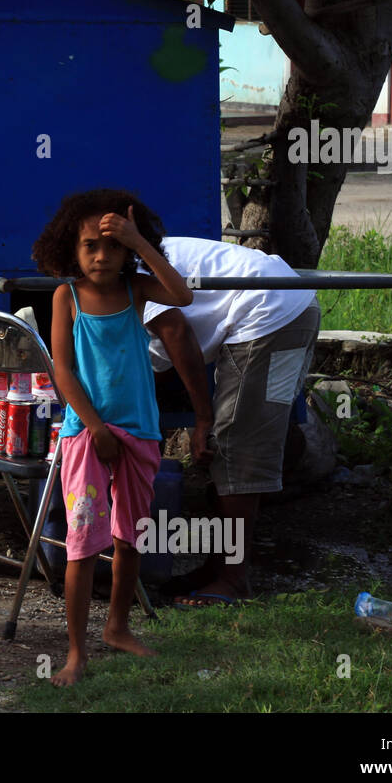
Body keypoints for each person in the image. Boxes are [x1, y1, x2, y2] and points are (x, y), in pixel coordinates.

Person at [32, 190, 193, 686]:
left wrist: (139, 241)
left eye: (112, 247)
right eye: (89, 247)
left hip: (141, 432)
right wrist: (97, 428)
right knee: (81, 545)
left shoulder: (137, 290)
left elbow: (182, 296)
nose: (102, 257)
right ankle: (76, 653)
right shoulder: (67, 297)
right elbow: (62, 370)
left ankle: (117, 627)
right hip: (87, 436)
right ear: (70, 250)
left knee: (129, 538)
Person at [140, 237, 320, 607]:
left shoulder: (127, 270)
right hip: (289, 302)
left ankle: (233, 580)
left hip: (267, 309)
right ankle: (220, 568)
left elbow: (176, 335)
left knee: (238, 444)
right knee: (239, 444)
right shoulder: (127, 254)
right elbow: (157, 358)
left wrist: (201, 419)